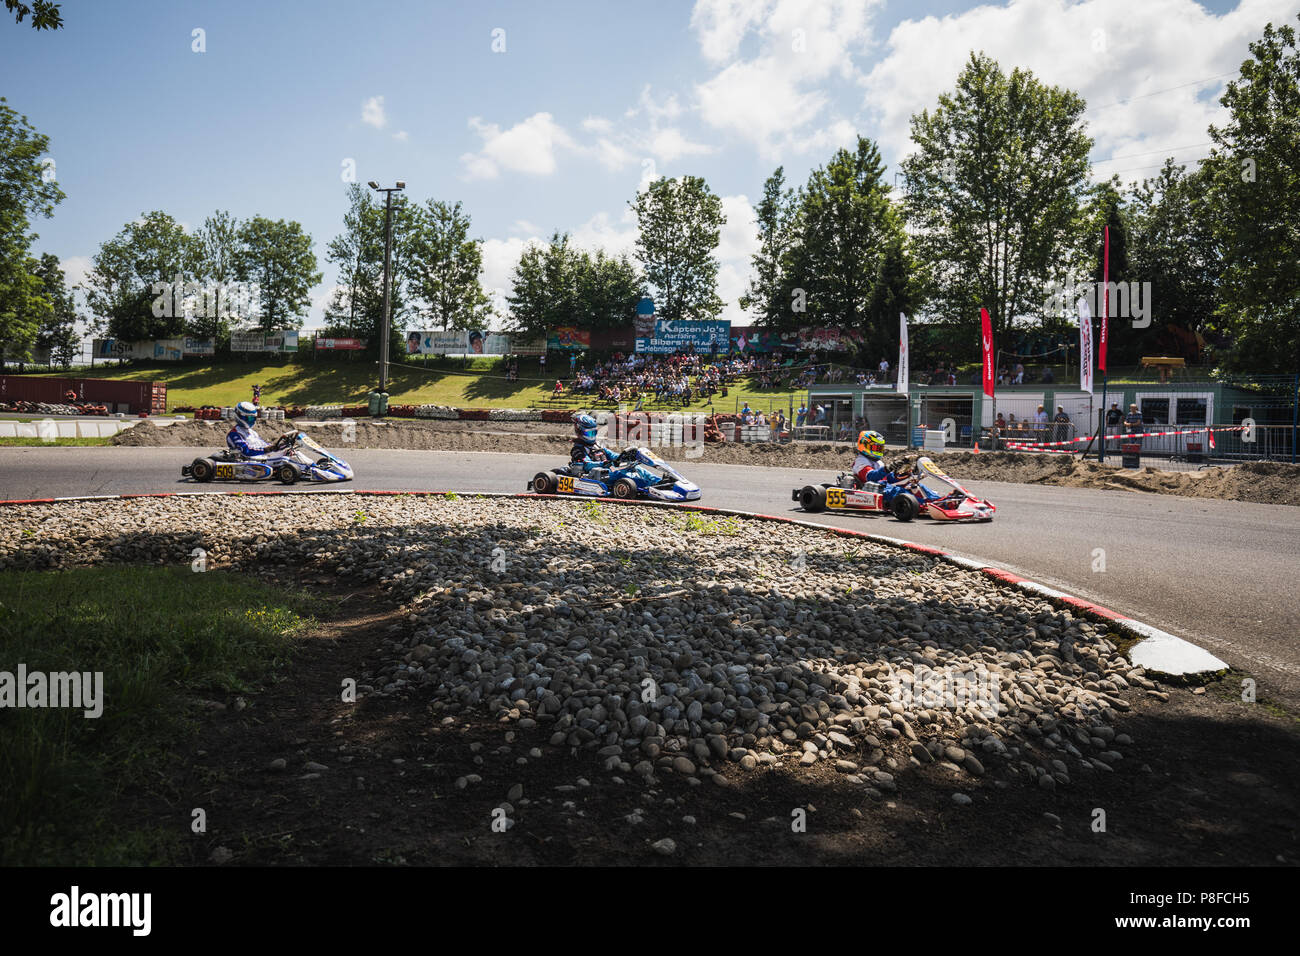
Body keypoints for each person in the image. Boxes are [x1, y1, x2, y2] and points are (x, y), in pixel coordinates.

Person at [227, 401, 291, 459]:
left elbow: (263, 445)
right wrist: (266, 450)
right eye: (250, 418)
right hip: (251, 463)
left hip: (263, 458)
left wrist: (278, 447)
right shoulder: (234, 434)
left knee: (290, 454)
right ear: (240, 416)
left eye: (253, 418)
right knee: (285, 460)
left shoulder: (252, 432)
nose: (252, 421)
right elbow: (246, 451)